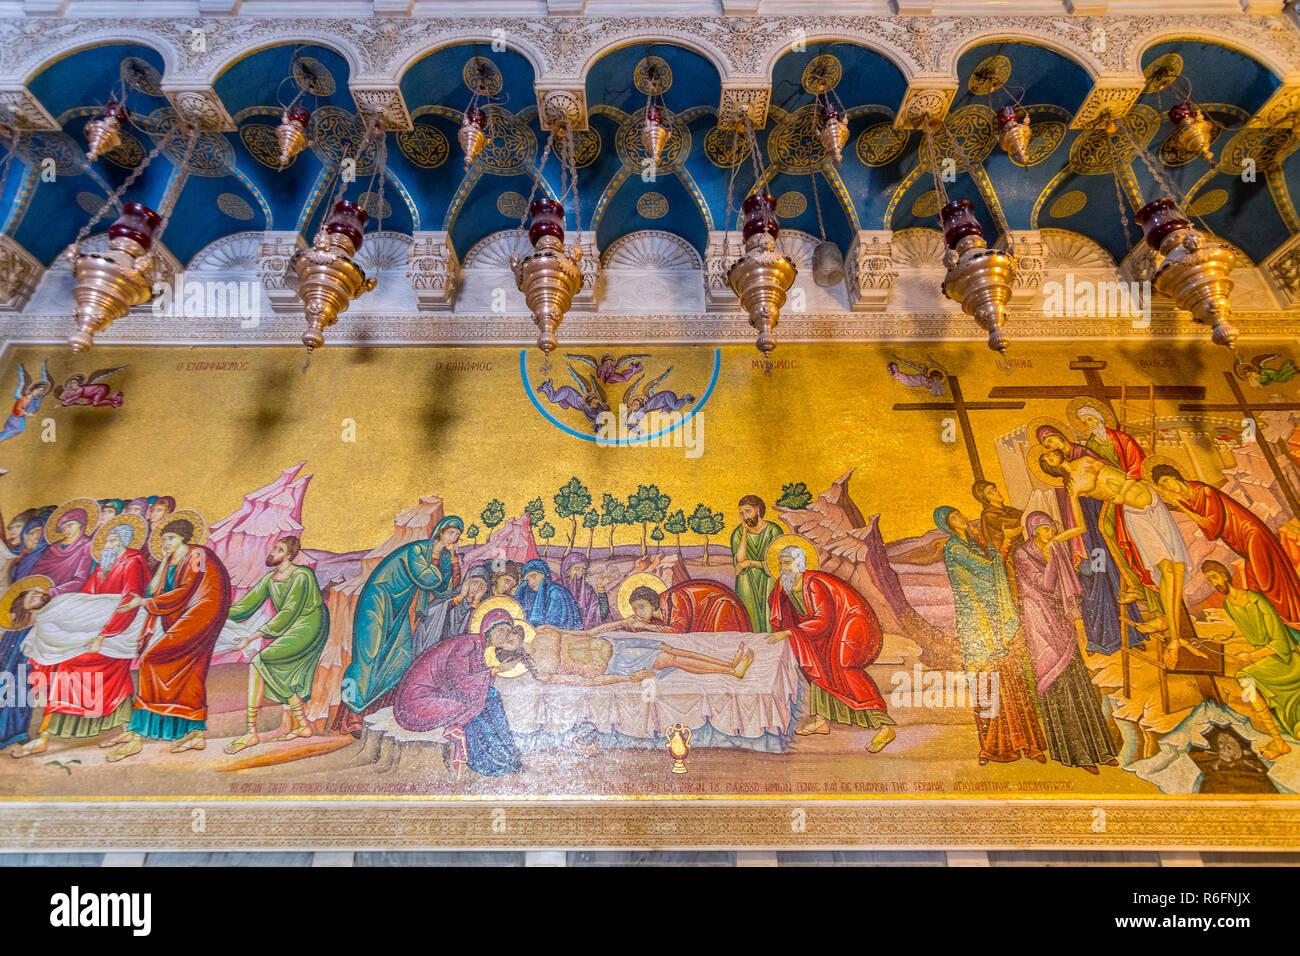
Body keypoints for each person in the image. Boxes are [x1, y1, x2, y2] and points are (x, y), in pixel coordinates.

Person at [1038, 448, 1195, 666]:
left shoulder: (1086, 460)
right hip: (1135, 513)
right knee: (1166, 570)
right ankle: (1175, 640)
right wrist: (1056, 539)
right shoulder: (1072, 487)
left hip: (1153, 501)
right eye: (1046, 459)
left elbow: (1124, 474)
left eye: (1049, 453)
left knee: (1178, 568)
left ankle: (1175, 633)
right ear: (1049, 467)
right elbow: (1081, 526)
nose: (1049, 455)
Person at [12, 516, 148, 756]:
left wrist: (104, 635)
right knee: (61, 663)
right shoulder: (104, 564)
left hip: (119, 628)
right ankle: (46, 735)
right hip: (94, 628)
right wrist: (71, 615)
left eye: (112, 539)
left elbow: (130, 601)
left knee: (74, 665)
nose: (106, 543)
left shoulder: (133, 561)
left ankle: (125, 729)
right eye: (106, 539)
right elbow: (86, 596)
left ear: (123, 541)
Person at [102, 515, 231, 761]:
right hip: (182, 617)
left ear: (183, 537)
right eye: (164, 539)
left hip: (201, 615)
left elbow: (186, 590)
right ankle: (194, 732)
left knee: (152, 660)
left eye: (171, 538)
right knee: (189, 672)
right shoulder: (171, 560)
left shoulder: (198, 556)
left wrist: (145, 602)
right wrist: (163, 562)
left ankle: (138, 735)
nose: (167, 543)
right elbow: (154, 590)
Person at [935, 506, 1046, 765]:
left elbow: (996, 562)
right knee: (987, 683)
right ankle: (992, 747)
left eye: (960, 514)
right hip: (977, 621)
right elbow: (986, 570)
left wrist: (1002, 543)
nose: (961, 518)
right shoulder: (955, 548)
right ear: (948, 525)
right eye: (954, 518)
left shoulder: (976, 544)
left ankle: (1028, 743)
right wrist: (1004, 542)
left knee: (1013, 679)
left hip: (995, 614)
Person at [1014, 512, 1119, 774]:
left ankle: (1101, 750)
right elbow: (1046, 585)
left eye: (1053, 527)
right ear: (1035, 530)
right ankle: (1077, 755)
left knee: (1078, 681)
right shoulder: (1022, 555)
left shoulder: (1055, 547)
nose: (1052, 532)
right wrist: (1050, 557)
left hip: (1060, 619)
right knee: (1058, 683)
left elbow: (1067, 581)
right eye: (1047, 528)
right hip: (1040, 624)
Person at [766, 540, 896, 752]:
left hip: (849, 623)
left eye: (787, 563)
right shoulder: (784, 585)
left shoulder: (814, 583)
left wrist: (791, 632)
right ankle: (820, 720)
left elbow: (823, 619)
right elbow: (784, 614)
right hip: (818, 633)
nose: (783, 568)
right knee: (817, 667)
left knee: (844, 668)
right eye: (781, 564)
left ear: (799, 563)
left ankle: (884, 725)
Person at [337, 515, 463, 734]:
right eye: (451, 532)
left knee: (401, 655)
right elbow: (428, 580)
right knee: (370, 654)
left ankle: (378, 710)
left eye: (458, 536)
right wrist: (442, 567)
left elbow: (443, 590)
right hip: (378, 601)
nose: (454, 538)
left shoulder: (442, 558)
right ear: (441, 531)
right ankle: (352, 717)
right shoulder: (417, 551)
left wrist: (452, 563)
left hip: (399, 608)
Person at [1034, 423, 1145, 655]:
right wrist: (1063, 539)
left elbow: (1113, 475)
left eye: (1052, 441)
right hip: (1088, 534)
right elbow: (1073, 516)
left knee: (1116, 572)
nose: (1052, 447)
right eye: (1047, 447)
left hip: (1106, 516)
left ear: (1060, 435)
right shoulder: (1068, 485)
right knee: (1094, 576)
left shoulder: (1085, 456)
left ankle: (1133, 635)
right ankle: (1100, 639)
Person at [1152, 463, 1300, 628]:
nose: (1168, 487)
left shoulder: (1203, 491)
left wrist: (1179, 505)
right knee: (1255, 582)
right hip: (1238, 540)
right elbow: (1209, 532)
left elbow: (1212, 528)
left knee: (1266, 579)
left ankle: (1289, 616)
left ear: (1174, 476)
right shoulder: (1189, 499)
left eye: (1166, 482)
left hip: (1249, 533)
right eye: (1163, 486)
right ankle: (1276, 619)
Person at [222, 536, 330, 754]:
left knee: (259, 661)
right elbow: (245, 606)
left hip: (310, 624)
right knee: (280, 671)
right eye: (273, 547)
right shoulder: (271, 578)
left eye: (279, 549)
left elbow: (289, 611)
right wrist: (216, 609)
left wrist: (251, 638)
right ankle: (302, 726)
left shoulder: (302, 575)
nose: (272, 552)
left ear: (289, 555)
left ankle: (251, 732)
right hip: (291, 626)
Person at [393, 607, 529, 777]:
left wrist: (494, 671)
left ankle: (510, 754)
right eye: (500, 630)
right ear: (487, 629)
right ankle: (493, 762)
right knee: (474, 710)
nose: (505, 636)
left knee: (492, 696)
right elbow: (458, 681)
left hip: (441, 696)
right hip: (419, 702)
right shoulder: (468, 643)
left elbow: (476, 685)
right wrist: (495, 670)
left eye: (508, 632)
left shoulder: (478, 647)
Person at [1201, 560, 1300, 761]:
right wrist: (1228, 641)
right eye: (1209, 579)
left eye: (1214, 576)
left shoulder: (1255, 600)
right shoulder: (1228, 605)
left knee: (1244, 676)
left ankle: (1278, 741)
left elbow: (1280, 643)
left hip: (1286, 659)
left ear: (1225, 574)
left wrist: (1251, 657)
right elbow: (1253, 637)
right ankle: (1279, 736)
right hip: (1268, 659)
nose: (1213, 582)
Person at [591, 578, 750, 635]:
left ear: (653, 604)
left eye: (641, 606)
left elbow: (678, 630)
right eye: (635, 609)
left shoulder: (675, 600)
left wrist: (649, 628)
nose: (638, 612)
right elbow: (631, 626)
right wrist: (622, 623)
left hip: (716, 607)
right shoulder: (653, 618)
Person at [0, 578, 50, 748]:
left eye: (39, 594)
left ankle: (18, 733)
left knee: (23, 693)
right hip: (10, 664)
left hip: (29, 663)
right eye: (32, 595)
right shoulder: (14, 629)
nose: (37, 594)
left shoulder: (43, 622)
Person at [730, 495, 782, 631]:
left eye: (748, 511)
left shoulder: (773, 530)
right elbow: (740, 560)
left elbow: (775, 563)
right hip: (747, 579)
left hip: (768, 577)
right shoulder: (738, 533)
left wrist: (751, 563)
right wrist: (745, 532)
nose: (745, 516)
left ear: (758, 510)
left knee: (769, 611)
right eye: (741, 513)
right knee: (748, 613)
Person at [414, 564, 489, 656]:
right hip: (443, 640)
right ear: (466, 583)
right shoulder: (452, 598)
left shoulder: (480, 607)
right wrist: (460, 597)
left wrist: (476, 602)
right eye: (473, 583)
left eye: (480, 586)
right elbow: (432, 613)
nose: (475, 588)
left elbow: (474, 626)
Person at [31, 501, 99, 595]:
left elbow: (80, 579)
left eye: (70, 525)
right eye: (63, 528)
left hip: (64, 594)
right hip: (40, 590)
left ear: (81, 523)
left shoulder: (86, 546)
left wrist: (52, 591)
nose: (66, 530)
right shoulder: (53, 548)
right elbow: (36, 571)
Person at [514, 558, 582, 629]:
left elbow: (553, 625)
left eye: (533, 576)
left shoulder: (556, 593)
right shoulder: (531, 595)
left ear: (544, 576)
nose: (530, 581)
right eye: (527, 579)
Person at [560, 553, 605, 630]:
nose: (581, 572)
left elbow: (600, 612)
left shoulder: (588, 589)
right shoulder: (558, 588)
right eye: (577, 568)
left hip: (586, 631)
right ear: (567, 570)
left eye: (583, 569)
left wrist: (601, 589)